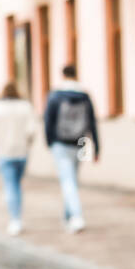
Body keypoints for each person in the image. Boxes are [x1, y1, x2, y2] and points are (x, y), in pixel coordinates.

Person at [43, 64, 99, 233]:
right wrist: (97, 147)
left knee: (68, 181)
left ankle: (76, 217)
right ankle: (68, 218)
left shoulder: (55, 96)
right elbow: (92, 123)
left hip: (60, 143)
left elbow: (48, 121)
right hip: (81, 141)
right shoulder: (84, 96)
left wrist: (50, 142)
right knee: (72, 180)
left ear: (63, 75)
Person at [0, 82, 39, 236]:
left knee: (11, 186)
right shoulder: (26, 107)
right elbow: (32, 131)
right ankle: (17, 216)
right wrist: (27, 143)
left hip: (4, 153)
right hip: (22, 153)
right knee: (16, 184)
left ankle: (15, 219)